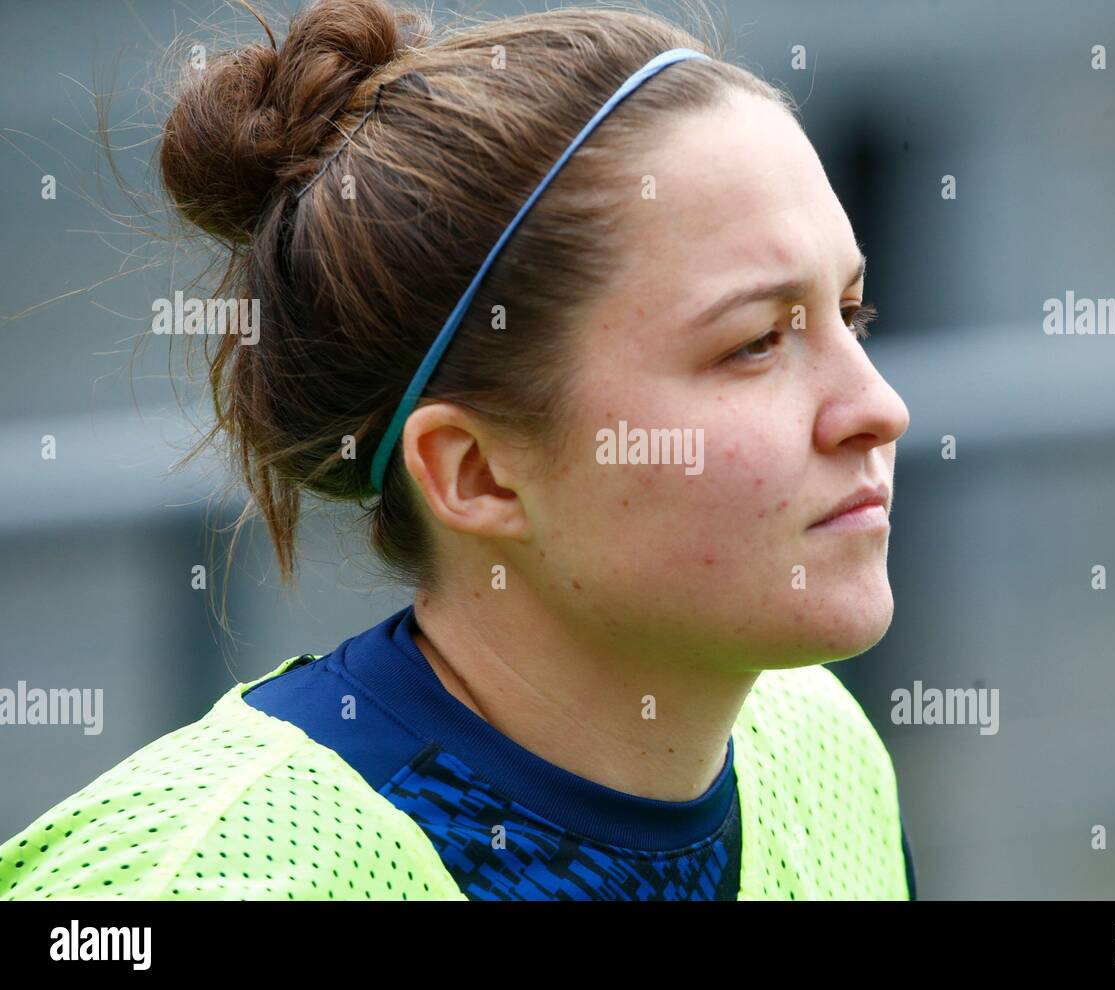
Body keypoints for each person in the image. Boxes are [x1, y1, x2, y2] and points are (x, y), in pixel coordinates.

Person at [0, 0, 914, 900]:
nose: (881, 408)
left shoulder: (819, 750)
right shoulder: (205, 878)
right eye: (755, 342)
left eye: (851, 313)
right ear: (475, 474)